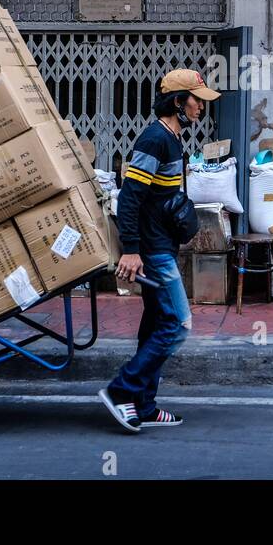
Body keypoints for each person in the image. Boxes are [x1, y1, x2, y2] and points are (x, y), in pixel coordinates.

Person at [99, 69, 219, 433]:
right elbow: (131, 196)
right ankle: (122, 390)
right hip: (152, 251)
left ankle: (144, 406)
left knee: (154, 324)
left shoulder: (171, 138)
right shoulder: (154, 140)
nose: (201, 107)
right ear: (178, 102)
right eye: (196, 100)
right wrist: (131, 250)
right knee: (178, 324)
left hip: (161, 245)